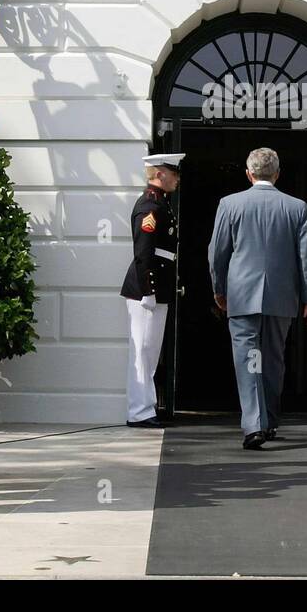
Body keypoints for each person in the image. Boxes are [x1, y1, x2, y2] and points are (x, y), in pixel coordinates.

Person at [208, 147, 307, 449]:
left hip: (242, 295)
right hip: (281, 296)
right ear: (277, 174)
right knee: (272, 359)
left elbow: (217, 252)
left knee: (248, 360)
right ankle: (268, 420)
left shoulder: (230, 204)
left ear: (249, 173)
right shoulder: (296, 207)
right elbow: (305, 258)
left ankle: (254, 425)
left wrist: (219, 289)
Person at [119, 153, 184, 428]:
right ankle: (140, 412)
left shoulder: (160, 203)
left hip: (158, 287)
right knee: (142, 351)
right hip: (147, 289)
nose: (177, 178)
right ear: (160, 174)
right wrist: (149, 290)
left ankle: (146, 408)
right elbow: (143, 253)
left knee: (150, 352)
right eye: (174, 173)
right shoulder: (149, 205)